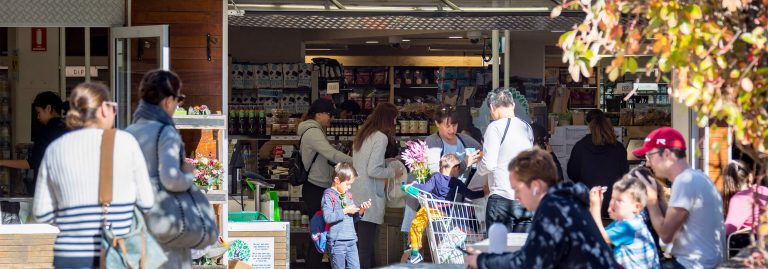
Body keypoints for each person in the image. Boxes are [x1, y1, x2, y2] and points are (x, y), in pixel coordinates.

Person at [32, 82, 154, 268]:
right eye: (113, 107)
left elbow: (41, 213)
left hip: (69, 255)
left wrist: (72, 216)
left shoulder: (55, 149)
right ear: (104, 109)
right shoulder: (126, 143)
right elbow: (146, 202)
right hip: (116, 252)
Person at [464, 148, 618, 269]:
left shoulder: (553, 209)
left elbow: (528, 263)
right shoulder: (564, 201)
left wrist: (482, 261)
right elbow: (535, 256)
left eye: (517, 188)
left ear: (536, 186)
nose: (515, 196)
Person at [125, 70, 195, 269]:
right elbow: (171, 178)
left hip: (133, 224)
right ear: (167, 100)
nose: (177, 105)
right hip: (164, 222)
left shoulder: (128, 132)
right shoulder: (166, 133)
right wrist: (189, 175)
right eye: (178, 99)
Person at [633, 127, 724, 269]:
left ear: (667, 154)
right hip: (704, 262)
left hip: (692, 265)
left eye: (649, 156)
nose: (648, 163)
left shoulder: (685, 181)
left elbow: (665, 234)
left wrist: (651, 200)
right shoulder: (697, 177)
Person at [298, 98, 354, 268]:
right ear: (319, 114)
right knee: (320, 231)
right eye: (329, 114)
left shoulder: (313, 129)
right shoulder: (313, 132)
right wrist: (355, 161)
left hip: (315, 186)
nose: (331, 118)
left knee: (321, 231)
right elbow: (331, 154)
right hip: (316, 187)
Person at [469, 88, 534, 232]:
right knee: (521, 249)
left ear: (492, 108)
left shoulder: (495, 127)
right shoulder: (526, 127)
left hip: (502, 199)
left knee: (498, 250)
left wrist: (479, 164)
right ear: (513, 106)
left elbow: (489, 164)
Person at [350, 103, 403, 269]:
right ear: (388, 119)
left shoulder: (364, 135)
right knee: (365, 250)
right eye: (394, 119)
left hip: (356, 195)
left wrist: (386, 162)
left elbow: (363, 164)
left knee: (363, 246)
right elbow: (373, 170)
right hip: (369, 197)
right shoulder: (381, 137)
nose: (395, 123)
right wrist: (393, 171)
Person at [405, 154, 485, 264]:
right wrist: (484, 192)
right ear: (455, 168)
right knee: (439, 241)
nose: (459, 172)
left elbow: (426, 189)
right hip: (445, 213)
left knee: (416, 223)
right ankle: (415, 252)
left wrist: (412, 185)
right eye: (459, 169)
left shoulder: (436, 177)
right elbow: (470, 194)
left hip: (432, 209)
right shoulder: (456, 182)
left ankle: (414, 252)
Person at [0, 91, 69, 194]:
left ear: (48, 108)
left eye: (38, 113)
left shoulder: (46, 132)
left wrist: (2, 162)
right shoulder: (69, 127)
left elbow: (32, 163)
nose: (38, 117)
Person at [567, 109, 628, 219]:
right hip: (613, 204)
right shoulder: (618, 147)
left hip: (588, 201)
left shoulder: (580, 146)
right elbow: (625, 175)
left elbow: (572, 173)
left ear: (588, 125)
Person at [589, 176, 660, 269]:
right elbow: (598, 233)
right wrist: (598, 203)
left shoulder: (630, 227)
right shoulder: (624, 221)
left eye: (619, 200)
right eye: (612, 198)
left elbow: (601, 238)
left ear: (636, 207)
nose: (612, 203)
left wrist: (595, 207)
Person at [322, 163, 371, 269]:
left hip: (351, 240)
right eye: (347, 184)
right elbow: (328, 217)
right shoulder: (328, 195)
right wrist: (345, 210)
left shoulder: (347, 195)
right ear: (337, 180)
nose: (349, 187)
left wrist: (361, 210)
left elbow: (352, 219)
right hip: (337, 241)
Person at [425, 104, 482, 186]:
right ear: (437, 123)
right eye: (447, 126)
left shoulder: (464, 139)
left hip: (462, 195)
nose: (452, 130)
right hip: (441, 195)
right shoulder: (432, 142)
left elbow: (482, 151)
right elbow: (436, 175)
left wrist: (479, 156)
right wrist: (464, 164)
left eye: (454, 125)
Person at [723, 160, 767, 236]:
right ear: (750, 176)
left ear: (728, 182)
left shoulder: (739, 199)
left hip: (753, 243)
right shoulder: (765, 190)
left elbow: (728, 230)